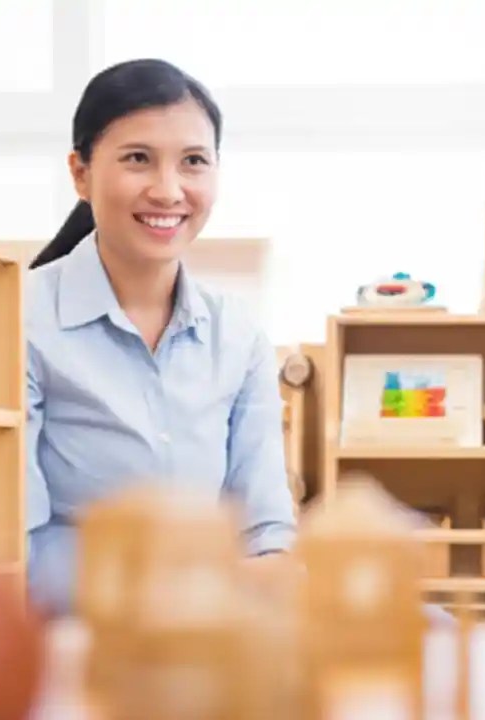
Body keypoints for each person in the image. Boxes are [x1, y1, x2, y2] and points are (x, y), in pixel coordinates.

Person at [24, 58, 297, 617]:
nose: (168, 190)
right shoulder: (20, 319)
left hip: (217, 627)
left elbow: (267, 531)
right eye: (137, 159)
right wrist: (168, 593)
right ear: (80, 173)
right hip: (81, 630)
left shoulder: (239, 336)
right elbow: (17, 543)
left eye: (193, 162)